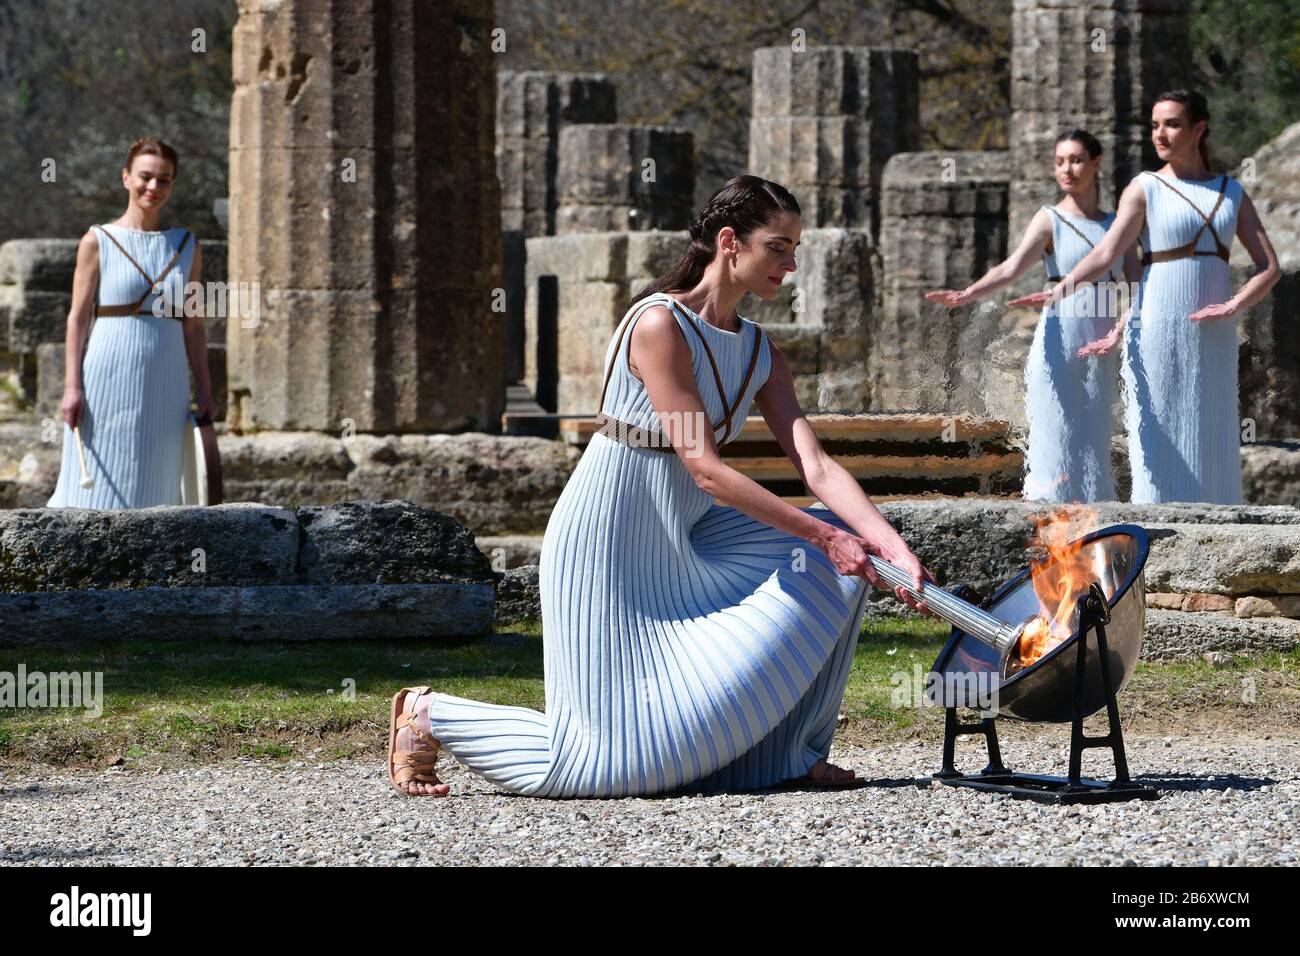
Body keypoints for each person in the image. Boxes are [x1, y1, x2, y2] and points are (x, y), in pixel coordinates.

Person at [387, 175, 936, 798]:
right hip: (610, 537)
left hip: (690, 533)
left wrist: (891, 546)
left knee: (841, 553)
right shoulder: (658, 326)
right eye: (778, 247)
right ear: (730, 242)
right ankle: (429, 715)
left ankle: (790, 755)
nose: (791, 263)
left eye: (795, 249)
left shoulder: (761, 352)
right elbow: (703, 466)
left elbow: (817, 468)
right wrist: (822, 533)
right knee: (607, 764)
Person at [1052, 90, 1281, 504]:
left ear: (1198, 129)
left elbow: (1270, 267)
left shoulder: (1230, 191)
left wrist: (1234, 305)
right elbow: (1107, 252)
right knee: (1158, 437)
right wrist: (1061, 288)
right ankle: (1154, 538)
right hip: (1157, 323)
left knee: (1212, 434)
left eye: (1172, 124)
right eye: (1155, 125)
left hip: (1214, 331)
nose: (1160, 134)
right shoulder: (1145, 187)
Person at [924, 130, 1141, 502]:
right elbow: (1010, 268)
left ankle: (1095, 523)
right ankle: (1048, 522)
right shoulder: (1049, 219)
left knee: (1094, 433)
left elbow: (1136, 284)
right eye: (1059, 162)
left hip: (1101, 337)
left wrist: (1119, 329)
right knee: (1056, 427)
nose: (1066, 170)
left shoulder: (1116, 223)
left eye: (1074, 160)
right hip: (1060, 331)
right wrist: (969, 293)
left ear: (1095, 163)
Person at [46, 137, 216, 509]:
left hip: (166, 378)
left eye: (164, 179)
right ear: (126, 177)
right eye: (145, 176)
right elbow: (77, 319)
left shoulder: (186, 245)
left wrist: (204, 389)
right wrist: (72, 386)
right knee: (91, 492)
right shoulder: (98, 240)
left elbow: (193, 325)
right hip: (106, 375)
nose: (153, 187)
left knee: (158, 485)